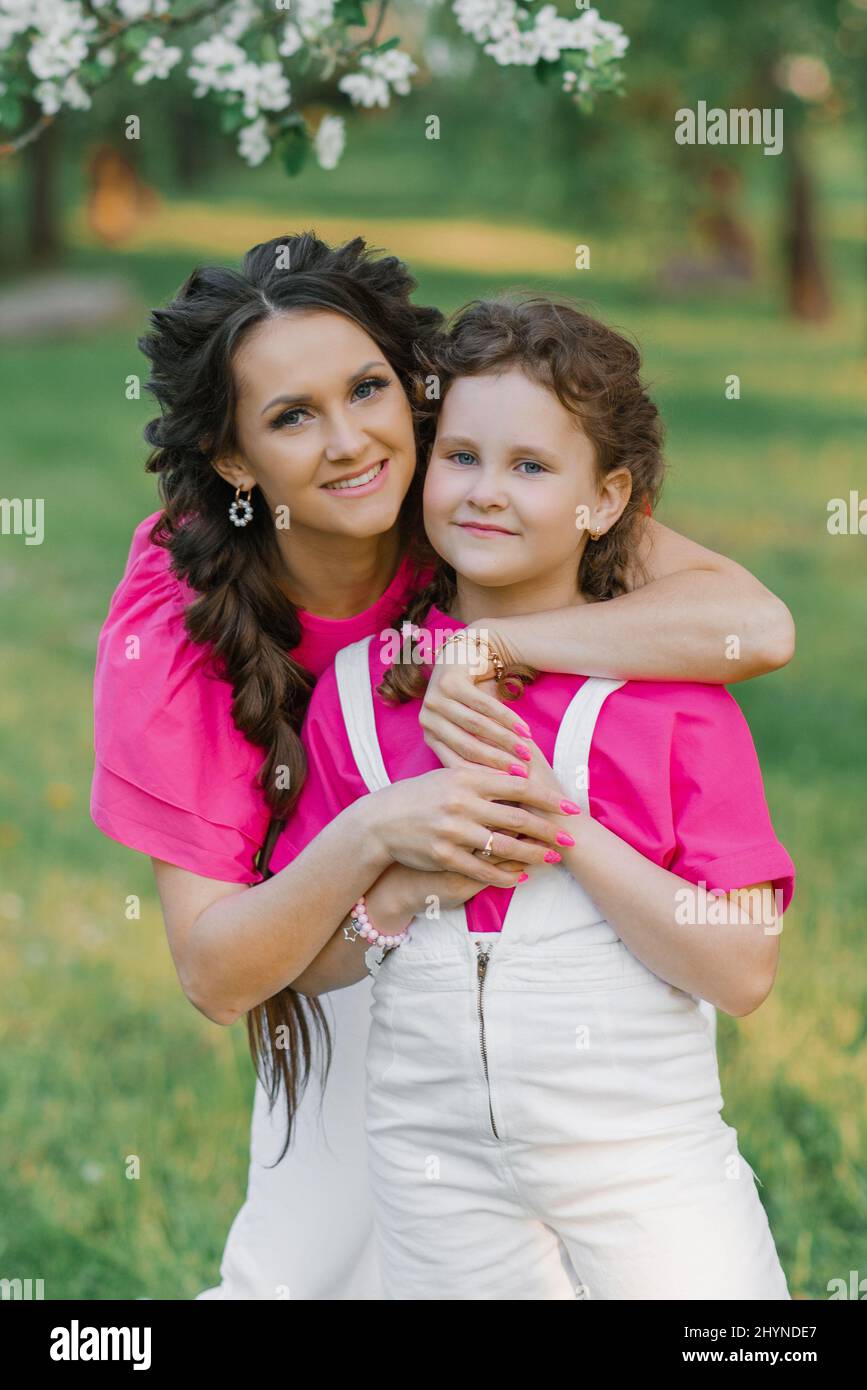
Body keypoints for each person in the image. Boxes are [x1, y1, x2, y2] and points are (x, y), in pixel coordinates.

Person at [90, 233, 795, 1300]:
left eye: (368, 389)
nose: (349, 442)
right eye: (289, 417)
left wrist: (491, 647)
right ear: (234, 460)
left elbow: (754, 625)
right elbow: (220, 972)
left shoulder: (467, 484)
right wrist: (382, 838)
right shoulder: (179, 620)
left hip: (570, 1022)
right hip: (333, 948)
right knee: (311, 1268)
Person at [277, 295, 794, 1299]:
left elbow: (742, 970)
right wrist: (398, 888)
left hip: (648, 1173)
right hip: (436, 1173)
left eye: (531, 467)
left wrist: (561, 822)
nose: (485, 493)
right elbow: (311, 965)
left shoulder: (671, 704)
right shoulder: (353, 697)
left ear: (605, 499)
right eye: (461, 455)